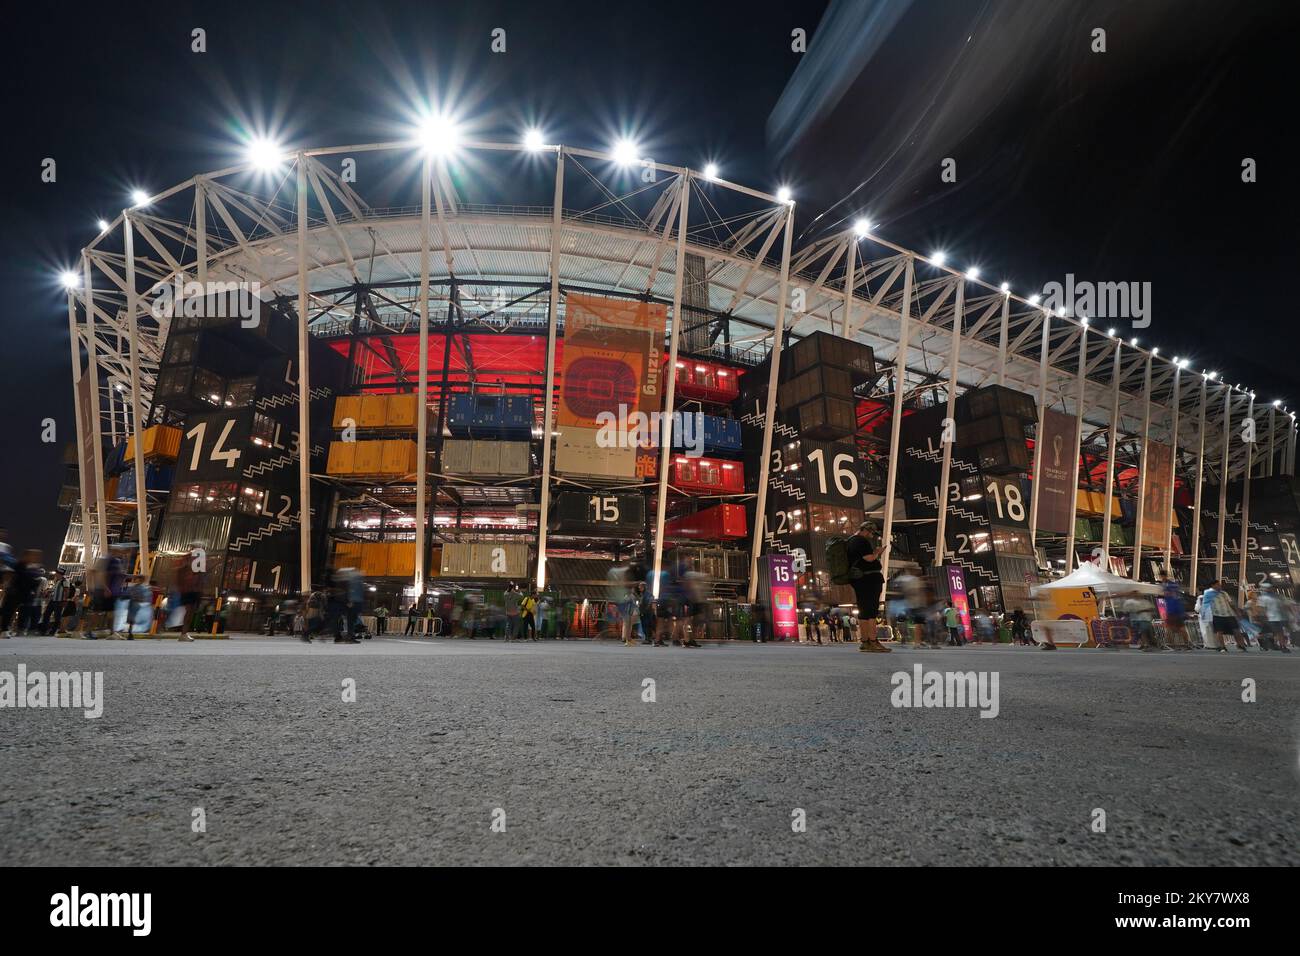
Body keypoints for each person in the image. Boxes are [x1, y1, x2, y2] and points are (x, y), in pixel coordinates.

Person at [847, 521, 889, 653]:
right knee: (871, 611)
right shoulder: (861, 541)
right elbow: (869, 558)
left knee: (863, 611)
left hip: (858, 579)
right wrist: (877, 552)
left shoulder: (850, 541)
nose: (871, 536)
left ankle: (865, 642)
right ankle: (873, 641)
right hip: (869, 579)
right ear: (866, 530)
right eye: (871, 533)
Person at [1202, 580, 1242, 652]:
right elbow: (1205, 605)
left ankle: (1240, 645)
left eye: (1220, 585)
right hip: (1217, 615)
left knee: (1236, 629)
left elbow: (1231, 603)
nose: (1219, 586)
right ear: (1213, 585)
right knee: (1219, 631)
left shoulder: (1224, 593)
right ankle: (1222, 647)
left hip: (1229, 614)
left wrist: (1237, 612)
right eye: (1217, 585)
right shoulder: (1208, 593)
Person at [1256, 582, 1291, 652]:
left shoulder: (1277, 596)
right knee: (1266, 633)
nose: (1271, 589)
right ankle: (1262, 643)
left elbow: (1283, 605)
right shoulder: (1262, 598)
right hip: (1269, 618)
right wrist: (1263, 617)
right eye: (1269, 588)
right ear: (1264, 589)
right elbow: (1260, 608)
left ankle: (1283, 646)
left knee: (1279, 632)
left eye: (1271, 588)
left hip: (1279, 617)